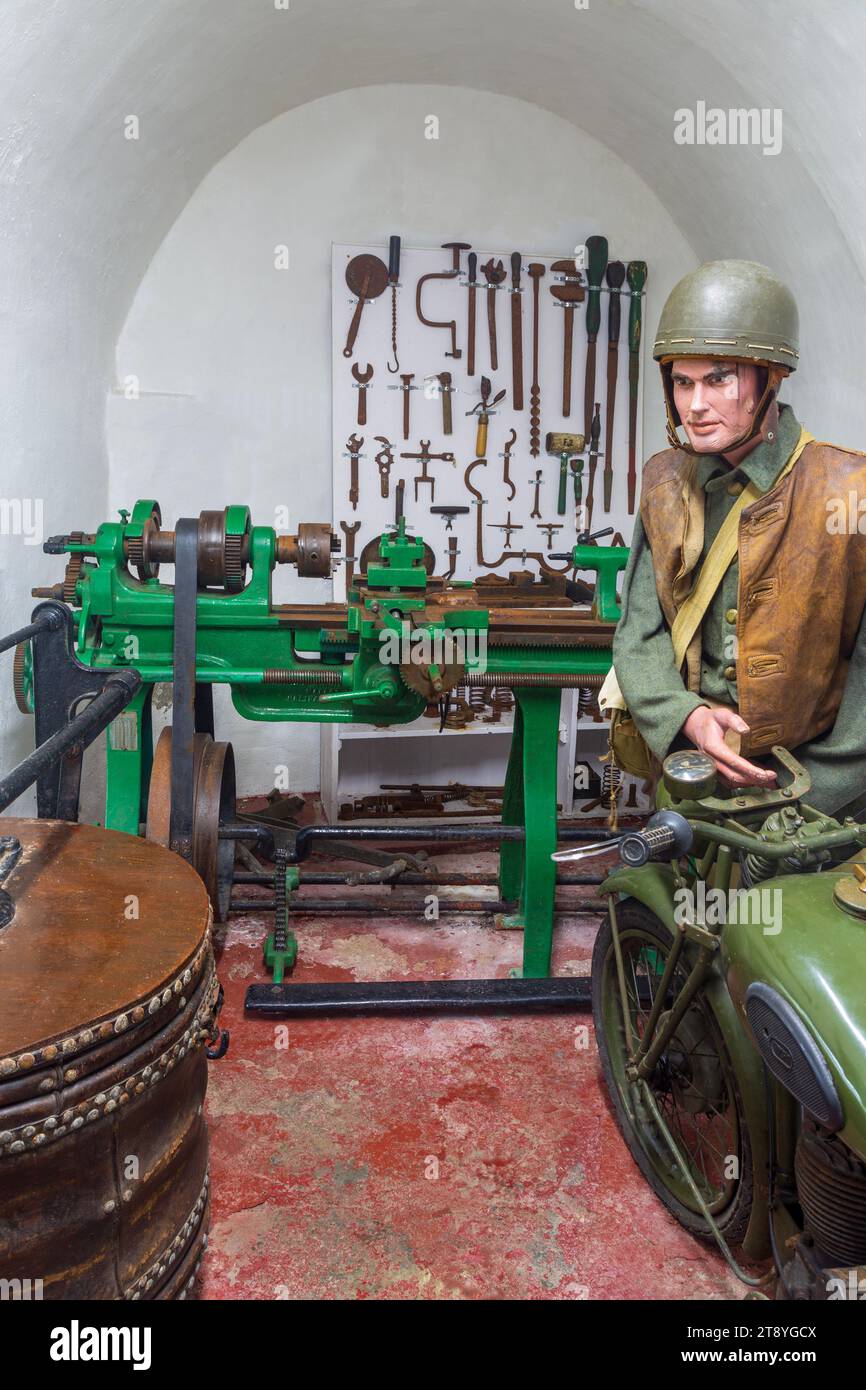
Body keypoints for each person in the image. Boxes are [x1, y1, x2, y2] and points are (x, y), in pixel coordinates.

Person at [611, 259, 866, 813]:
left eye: (717, 379)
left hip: (816, 799)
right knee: (674, 899)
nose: (695, 405)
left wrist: (815, 800)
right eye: (682, 381)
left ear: (769, 379)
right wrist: (687, 717)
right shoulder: (663, 482)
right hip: (692, 777)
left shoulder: (851, 491)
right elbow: (639, 632)